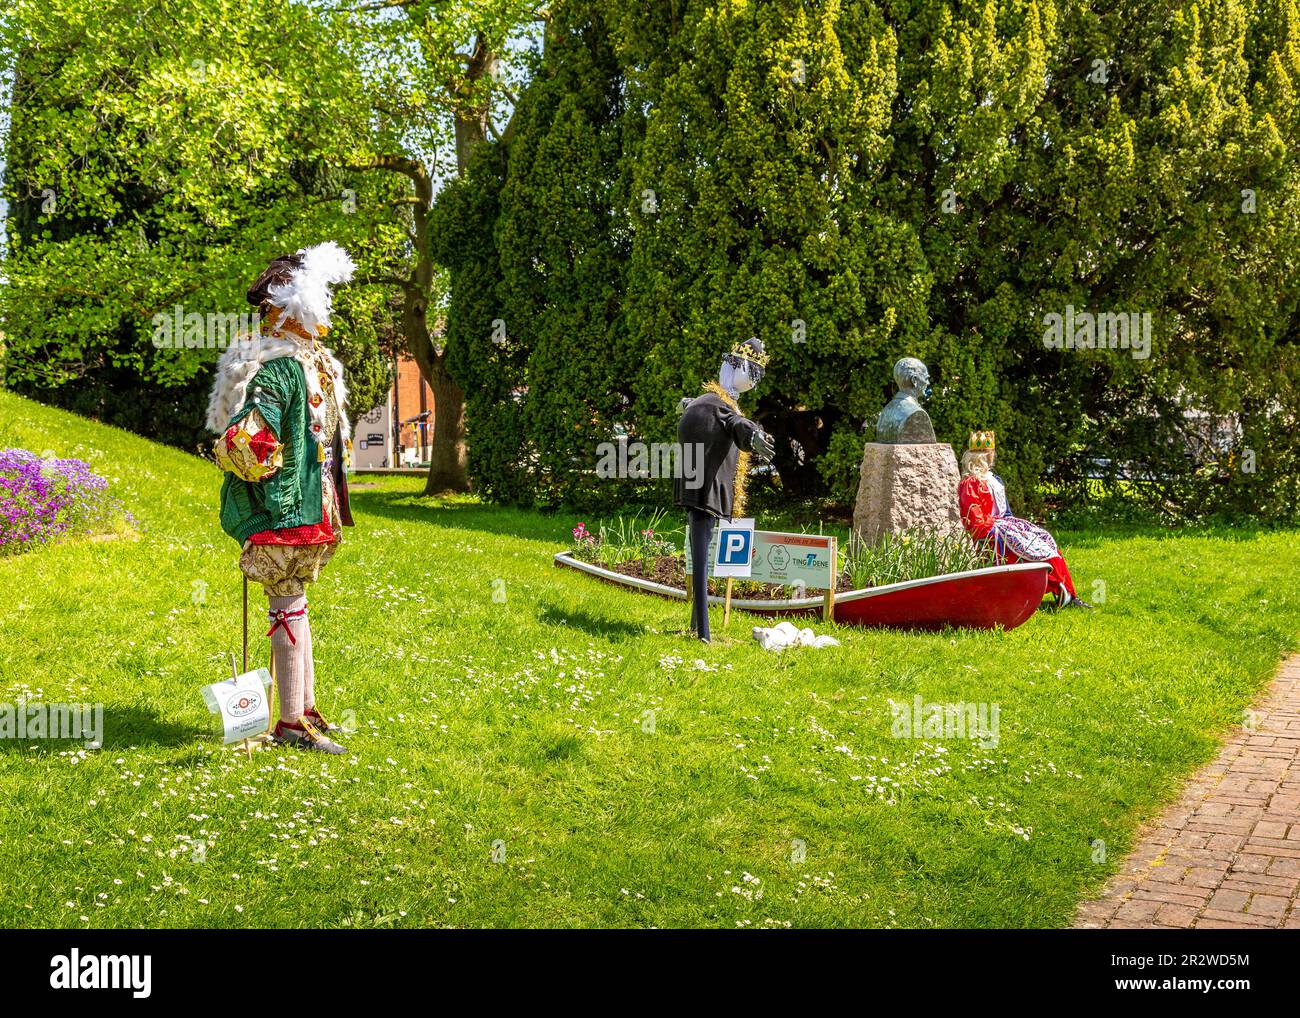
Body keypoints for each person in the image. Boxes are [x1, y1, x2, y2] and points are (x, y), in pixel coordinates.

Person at [206, 242, 357, 752]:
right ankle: (291, 722)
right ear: (290, 309)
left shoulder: (308, 364)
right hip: (281, 507)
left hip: (306, 504)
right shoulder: (278, 367)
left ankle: (302, 711)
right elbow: (247, 438)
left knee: (294, 603)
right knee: (288, 601)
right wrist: (254, 465)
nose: (323, 319)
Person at [674, 337, 776, 643]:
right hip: (704, 489)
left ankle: (698, 626)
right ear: (737, 367)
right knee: (700, 559)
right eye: (752, 372)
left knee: (700, 555)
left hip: (698, 485)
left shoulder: (713, 401)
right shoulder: (718, 404)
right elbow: (736, 423)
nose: (754, 381)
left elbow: (728, 420)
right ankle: (703, 633)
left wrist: (688, 404)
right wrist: (753, 435)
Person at [957, 431, 1091, 610]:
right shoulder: (971, 483)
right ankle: (1060, 591)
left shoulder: (994, 479)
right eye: (990, 453)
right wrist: (995, 530)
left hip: (1004, 524)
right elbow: (974, 519)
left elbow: (1005, 511)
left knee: (1045, 541)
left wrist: (1016, 526)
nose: (992, 456)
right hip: (992, 533)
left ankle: (1066, 593)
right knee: (1032, 550)